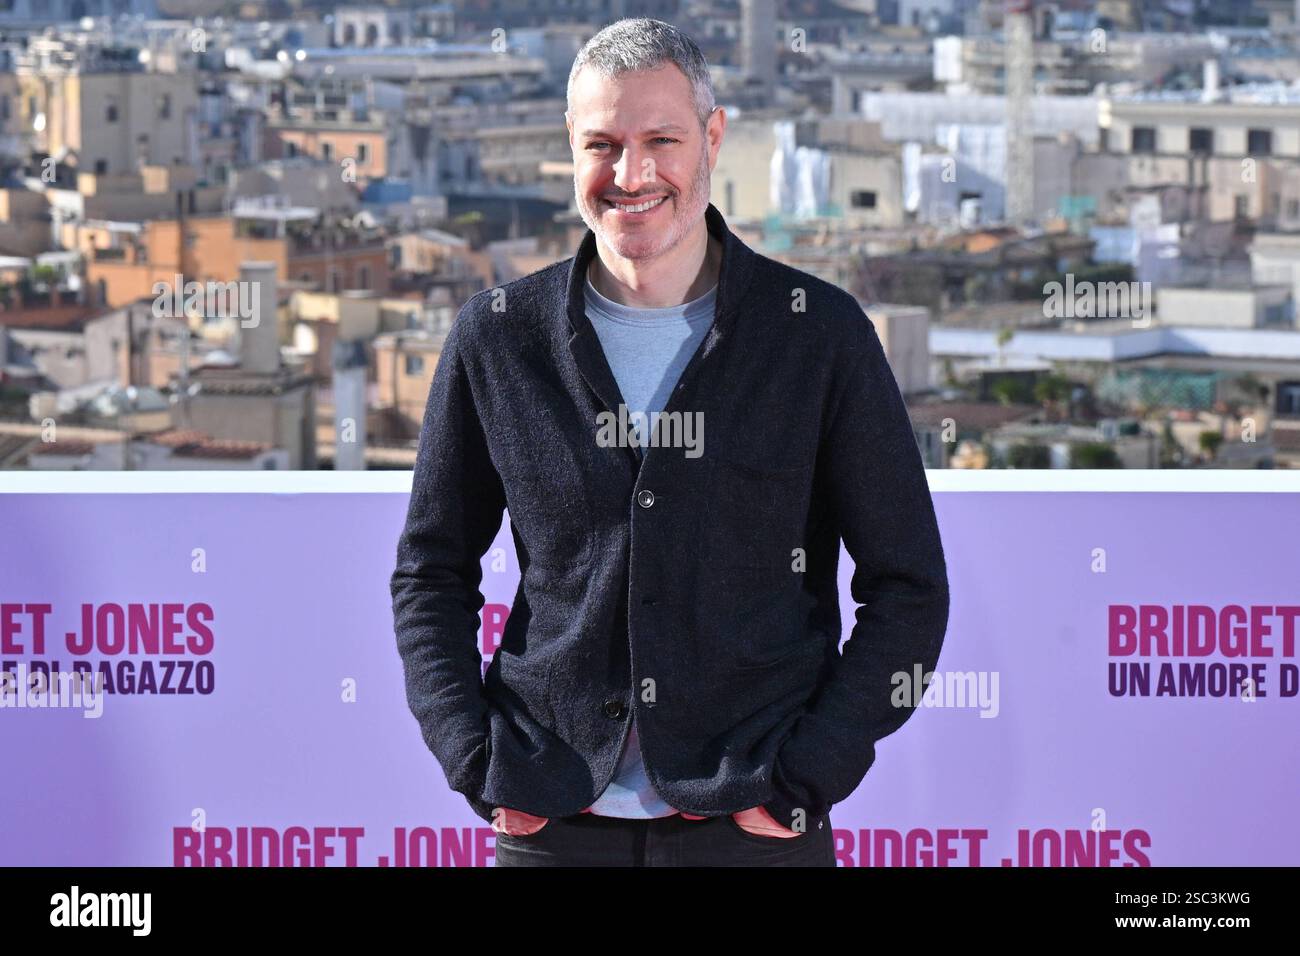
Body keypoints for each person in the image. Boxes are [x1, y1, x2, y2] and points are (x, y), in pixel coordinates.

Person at [390, 17, 950, 867]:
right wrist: (475, 760)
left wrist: (809, 773)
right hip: (553, 826)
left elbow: (909, 586)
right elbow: (430, 570)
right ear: (569, 149)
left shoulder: (818, 336)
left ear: (713, 137)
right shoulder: (497, 338)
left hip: (753, 829)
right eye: (603, 144)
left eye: (662, 139)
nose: (632, 173)